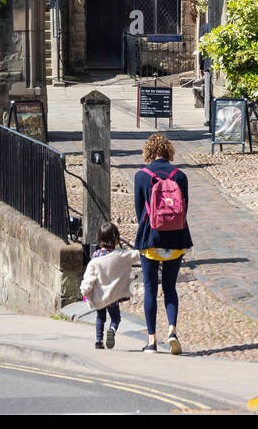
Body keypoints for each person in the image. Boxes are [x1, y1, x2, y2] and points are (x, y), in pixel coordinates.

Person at [134, 133, 191, 354]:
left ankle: (151, 341)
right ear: (169, 151)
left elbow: (140, 211)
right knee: (170, 288)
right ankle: (172, 331)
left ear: (148, 152)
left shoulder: (141, 176)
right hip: (176, 238)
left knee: (150, 288)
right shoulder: (180, 176)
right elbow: (184, 208)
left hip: (151, 239)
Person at [79, 221, 134, 350]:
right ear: (116, 239)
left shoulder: (96, 256)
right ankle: (112, 330)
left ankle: (98, 340)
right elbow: (133, 256)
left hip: (100, 294)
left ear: (99, 239)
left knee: (100, 317)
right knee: (115, 318)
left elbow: (89, 275)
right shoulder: (119, 255)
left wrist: (85, 290)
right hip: (113, 296)